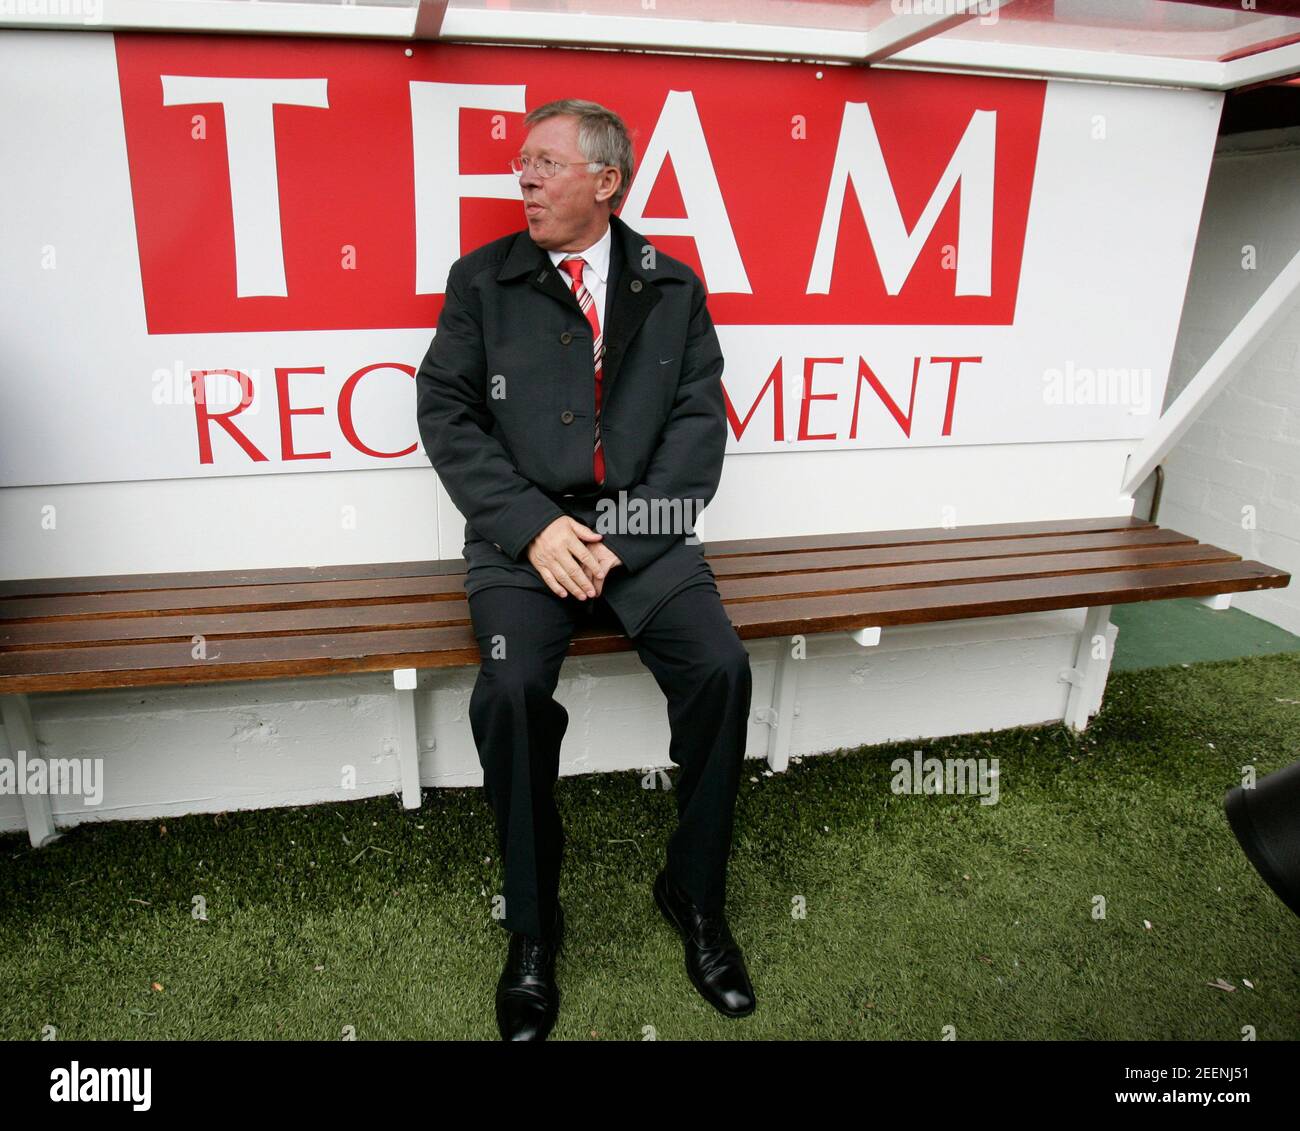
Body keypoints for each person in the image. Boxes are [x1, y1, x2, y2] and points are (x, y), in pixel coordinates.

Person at [415, 98, 754, 1041]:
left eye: (546, 163)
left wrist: (627, 537)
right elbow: (446, 412)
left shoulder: (672, 287)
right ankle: (534, 926)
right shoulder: (481, 281)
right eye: (522, 163)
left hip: (640, 533)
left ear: (606, 181)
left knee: (722, 670)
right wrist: (532, 529)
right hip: (523, 541)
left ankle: (693, 894)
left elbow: (698, 430)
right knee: (512, 691)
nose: (523, 178)